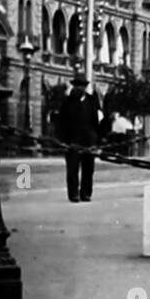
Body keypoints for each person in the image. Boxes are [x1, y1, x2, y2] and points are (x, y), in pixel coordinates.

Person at [56, 71, 102, 202]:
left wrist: (96, 139)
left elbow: (96, 122)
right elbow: (61, 122)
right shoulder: (67, 102)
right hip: (72, 141)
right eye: (77, 85)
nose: (80, 88)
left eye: (82, 85)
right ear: (74, 86)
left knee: (88, 170)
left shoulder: (92, 101)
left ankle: (86, 193)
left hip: (88, 141)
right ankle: (73, 194)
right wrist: (63, 141)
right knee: (72, 170)